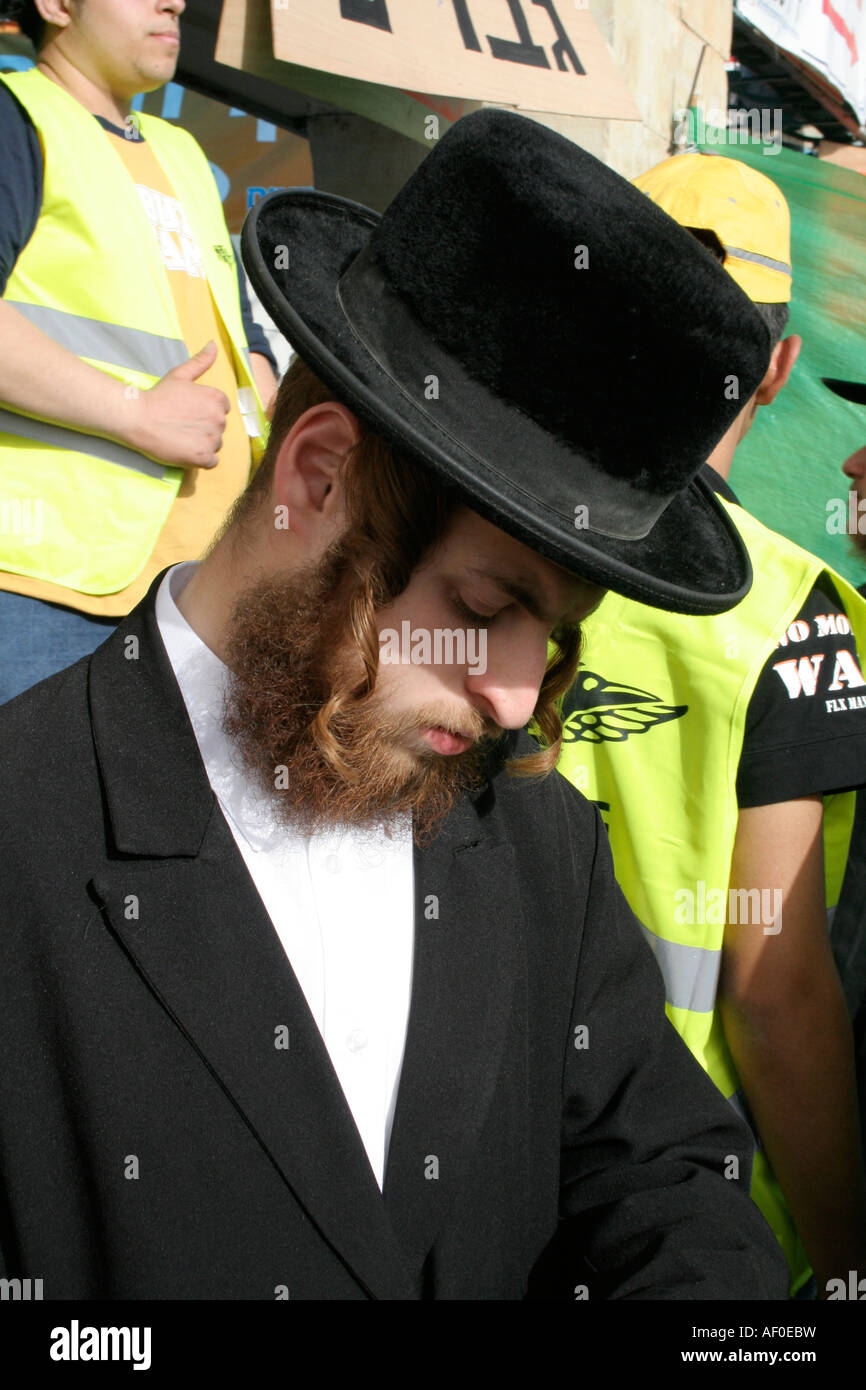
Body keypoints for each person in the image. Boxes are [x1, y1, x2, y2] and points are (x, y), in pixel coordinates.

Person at [0, 108, 790, 1301]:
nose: (516, 699)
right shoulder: (23, 824)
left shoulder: (537, 841)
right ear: (316, 478)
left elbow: (659, 1172)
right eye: (478, 609)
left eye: (556, 638)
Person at [556, 151, 866, 1298]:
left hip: (467, 1159)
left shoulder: (472, 546)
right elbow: (774, 989)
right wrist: (844, 1261)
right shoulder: (784, 608)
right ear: (780, 366)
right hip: (685, 1198)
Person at [0, 0, 276, 703]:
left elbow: (243, 354)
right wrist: (134, 413)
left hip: (200, 596)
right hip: (44, 586)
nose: (174, 1)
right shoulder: (17, 117)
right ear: (56, 5)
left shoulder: (182, 152)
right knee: (39, 811)